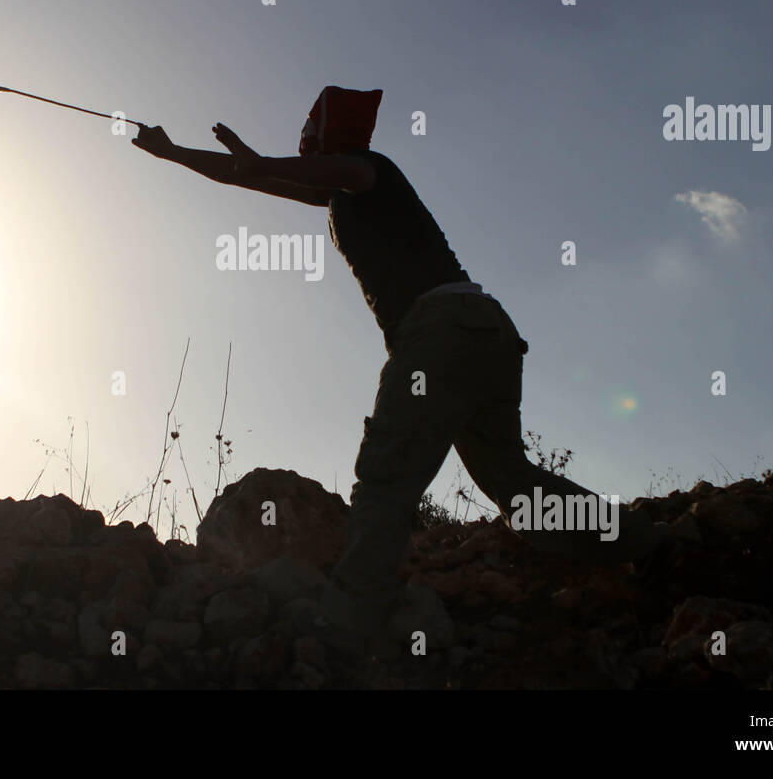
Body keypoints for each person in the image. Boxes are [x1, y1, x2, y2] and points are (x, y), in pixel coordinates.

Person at [132, 86, 673, 652]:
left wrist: (261, 160)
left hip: (441, 331)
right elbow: (247, 177)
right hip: (486, 333)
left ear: (323, 134)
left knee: (387, 481)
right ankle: (645, 545)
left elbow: (317, 167)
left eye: (310, 130)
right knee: (514, 484)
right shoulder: (338, 191)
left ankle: (345, 627)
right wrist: (175, 154)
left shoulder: (367, 168)